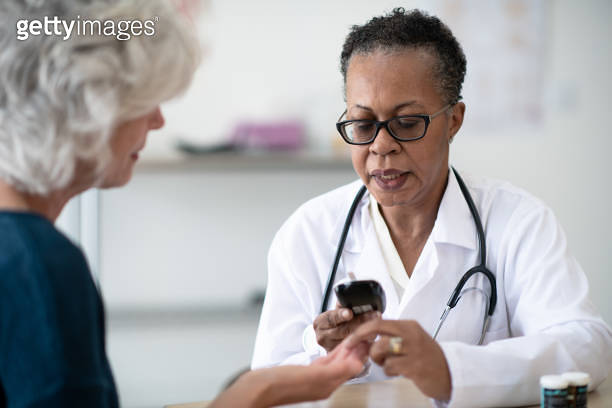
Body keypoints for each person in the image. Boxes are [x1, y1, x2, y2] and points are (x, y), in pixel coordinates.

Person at [0, 1, 368, 407]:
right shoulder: (38, 267)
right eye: (144, 100)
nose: (158, 120)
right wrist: (250, 394)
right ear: (83, 105)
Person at [251, 8, 612, 407]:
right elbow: (265, 383)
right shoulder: (308, 232)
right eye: (363, 124)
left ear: (453, 120)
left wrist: (452, 370)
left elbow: (587, 345)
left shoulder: (517, 221)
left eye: (406, 123)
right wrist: (322, 351)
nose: (381, 146)